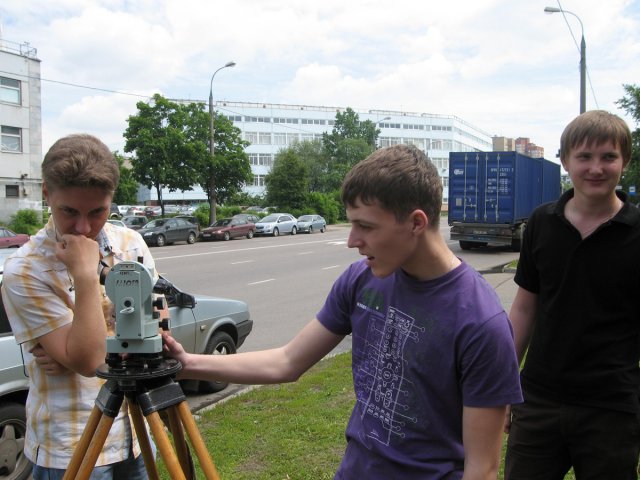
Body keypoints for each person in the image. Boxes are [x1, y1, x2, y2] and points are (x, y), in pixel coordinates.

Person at [163, 144, 523, 479]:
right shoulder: (362, 278)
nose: (352, 241)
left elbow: (482, 468)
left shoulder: (481, 323)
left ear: (416, 223)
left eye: (365, 226)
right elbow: (287, 361)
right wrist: (189, 364)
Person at [1, 134, 157, 479]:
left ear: (111, 199)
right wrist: (86, 275)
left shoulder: (130, 244)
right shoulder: (24, 270)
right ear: (46, 194)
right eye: (69, 211)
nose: (84, 227)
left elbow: (155, 323)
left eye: (97, 212)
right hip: (71, 446)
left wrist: (78, 348)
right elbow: (89, 361)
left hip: (137, 431)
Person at [504, 110, 640, 479]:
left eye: (608, 157)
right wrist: (504, 384)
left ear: (624, 161)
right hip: (538, 400)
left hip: (611, 406)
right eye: (584, 157)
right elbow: (524, 309)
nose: (596, 167)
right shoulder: (541, 223)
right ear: (565, 161)